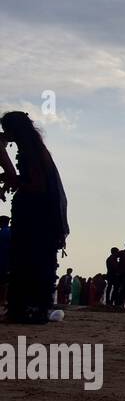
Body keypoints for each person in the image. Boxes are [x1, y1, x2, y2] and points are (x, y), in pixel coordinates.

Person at [0, 111, 70, 325]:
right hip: (39, 215)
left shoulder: (31, 152)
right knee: (32, 261)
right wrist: (12, 179)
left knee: (27, 261)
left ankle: (26, 310)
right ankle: (31, 309)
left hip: (35, 216)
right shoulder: (34, 149)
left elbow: (36, 186)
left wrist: (13, 179)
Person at [0, 215, 10, 310]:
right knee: (5, 282)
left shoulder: (2, 233)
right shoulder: (10, 232)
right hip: (8, 261)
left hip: (2, 260)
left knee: (2, 282)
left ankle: (2, 300)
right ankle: (3, 300)